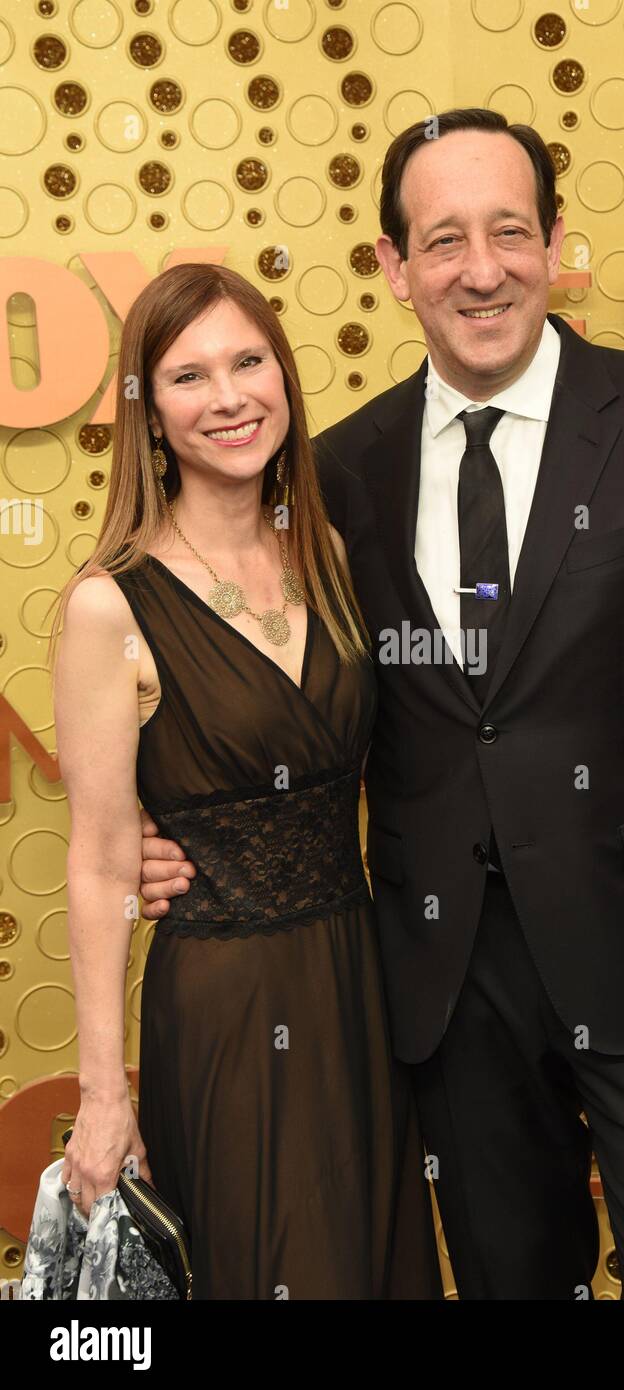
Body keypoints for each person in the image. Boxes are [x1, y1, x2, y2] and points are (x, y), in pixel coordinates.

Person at [137, 109, 624, 1299]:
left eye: (508, 230)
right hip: (446, 989)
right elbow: (286, 692)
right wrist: (180, 834)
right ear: (394, 267)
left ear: (556, 242)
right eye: (442, 240)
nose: (481, 267)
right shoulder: (336, 471)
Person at [49, 262, 443, 1300]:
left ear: (282, 374)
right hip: (224, 1001)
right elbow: (97, 862)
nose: (227, 397)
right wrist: (102, 1094)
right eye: (187, 376)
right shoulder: (109, 603)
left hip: (357, 981)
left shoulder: (335, 557)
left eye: (247, 361)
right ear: (147, 411)